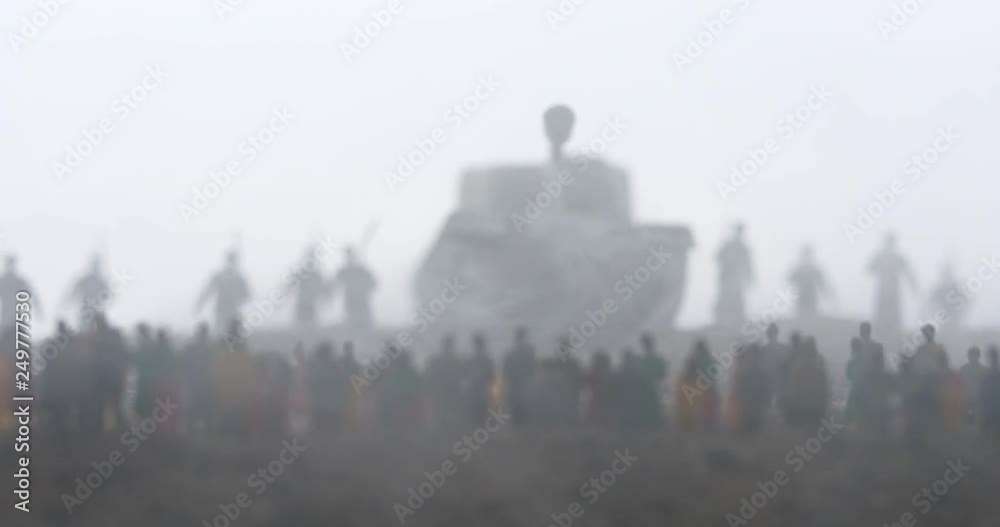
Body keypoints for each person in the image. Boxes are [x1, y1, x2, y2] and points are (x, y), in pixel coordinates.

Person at [868, 233, 916, 334]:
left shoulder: (897, 257)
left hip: (893, 286)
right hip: (884, 286)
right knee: (882, 305)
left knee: (893, 306)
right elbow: (870, 268)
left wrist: (913, 285)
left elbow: (907, 272)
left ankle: (893, 327)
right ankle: (881, 326)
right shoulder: (881, 256)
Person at [195, 251, 251, 330]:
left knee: (230, 332)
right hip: (224, 310)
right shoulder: (228, 276)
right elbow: (208, 291)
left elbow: (247, 296)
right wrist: (199, 305)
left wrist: (199, 305)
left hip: (231, 310)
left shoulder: (237, 278)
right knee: (223, 331)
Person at [781, 337, 829, 427]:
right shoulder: (799, 373)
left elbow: (823, 395)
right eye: (807, 354)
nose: (808, 357)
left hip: (812, 413)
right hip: (803, 413)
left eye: (810, 354)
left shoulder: (818, 373)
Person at [675, 339, 719, 431]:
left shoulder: (693, 359)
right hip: (707, 389)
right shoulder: (709, 359)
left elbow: (687, 373)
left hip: (696, 389)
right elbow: (713, 375)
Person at [714, 224, 754, 327]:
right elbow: (717, 257)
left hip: (736, 277)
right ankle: (721, 320)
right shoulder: (727, 245)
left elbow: (747, 263)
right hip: (727, 276)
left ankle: (737, 320)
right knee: (725, 297)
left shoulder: (742, 247)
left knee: (737, 297)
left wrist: (750, 277)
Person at [329, 247, 377, 327]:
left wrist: (363, 288)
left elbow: (373, 283)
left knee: (364, 321)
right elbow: (335, 282)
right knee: (352, 320)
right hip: (350, 300)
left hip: (361, 300)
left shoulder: (362, 270)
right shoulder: (345, 270)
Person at [182, 323, 215, 434]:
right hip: (199, 382)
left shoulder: (192, 347)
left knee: (198, 407)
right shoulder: (209, 348)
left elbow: (185, 364)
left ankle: (195, 429)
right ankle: (198, 429)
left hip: (199, 382)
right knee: (199, 407)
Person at [729, 344, 771, 432]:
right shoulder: (756, 364)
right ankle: (751, 425)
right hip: (752, 392)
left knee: (751, 409)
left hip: (751, 391)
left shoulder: (748, 365)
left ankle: (750, 425)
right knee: (753, 409)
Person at [427, 334, 466, 427]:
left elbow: (462, 375)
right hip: (444, 391)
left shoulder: (454, 360)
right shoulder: (454, 360)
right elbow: (432, 376)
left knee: (450, 414)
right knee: (444, 414)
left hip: (451, 390)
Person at [503, 327, 537, 426]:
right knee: (517, 413)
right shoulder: (512, 354)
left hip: (524, 387)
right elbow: (506, 372)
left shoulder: (528, 354)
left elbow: (533, 369)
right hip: (516, 387)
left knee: (524, 413)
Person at [0, 254, 41, 333]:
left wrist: (39, 309)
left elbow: (32, 294)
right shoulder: (3, 281)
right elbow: (33, 295)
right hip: (7, 318)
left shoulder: (18, 281)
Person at [67, 255, 110, 328]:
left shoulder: (100, 281)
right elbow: (74, 292)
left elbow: (107, 295)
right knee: (84, 330)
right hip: (86, 311)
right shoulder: (87, 279)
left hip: (97, 312)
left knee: (99, 332)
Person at [788, 245, 830, 318]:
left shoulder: (812, 268)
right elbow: (790, 278)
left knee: (811, 314)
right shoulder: (800, 268)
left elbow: (821, 282)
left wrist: (826, 292)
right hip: (802, 295)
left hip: (811, 295)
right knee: (801, 314)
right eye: (806, 254)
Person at [959, 346, 988, 426]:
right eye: (971, 355)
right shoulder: (963, 369)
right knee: (968, 421)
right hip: (967, 399)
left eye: (974, 355)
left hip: (978, 399)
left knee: (977, 421)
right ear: (968, 356)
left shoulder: (983, 370)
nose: (972, 357)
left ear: (978, 356)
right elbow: (959, 384)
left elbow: (986, 386)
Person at [979, 346, 1000, 439]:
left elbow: (984, 387)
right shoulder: (986, 371)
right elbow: (984, 388)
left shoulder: (988, 372)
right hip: (990, 402)